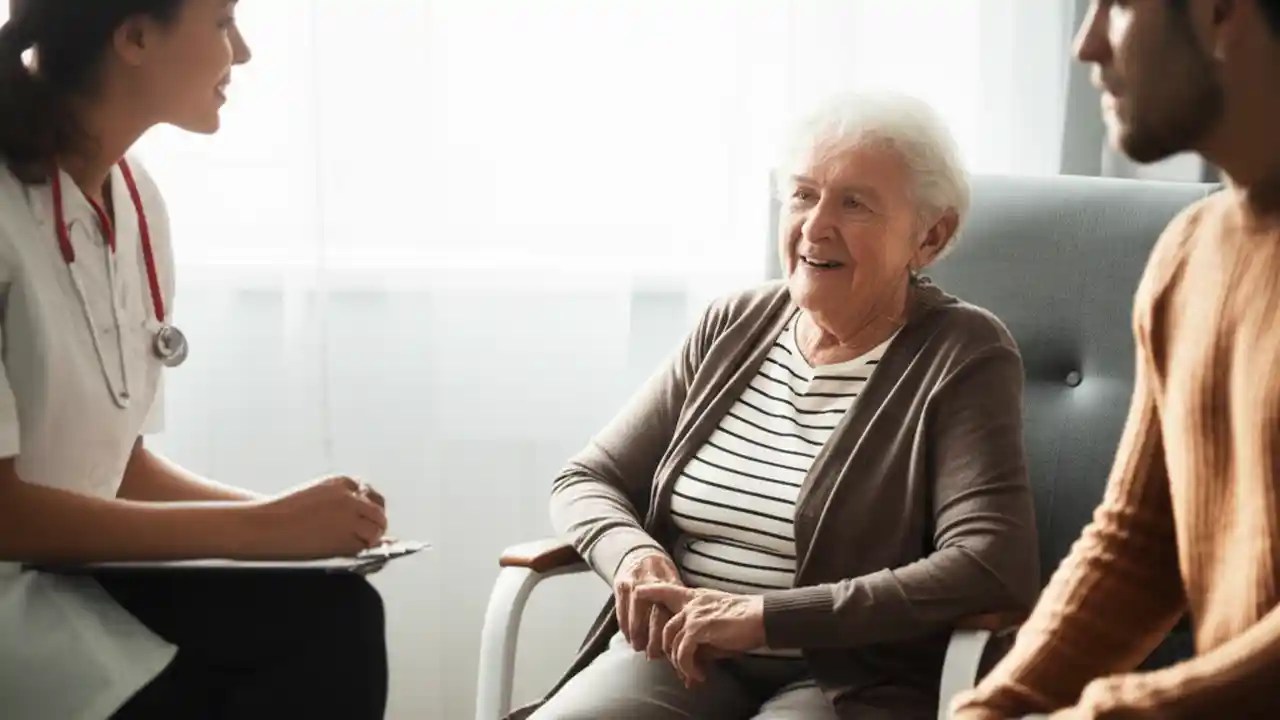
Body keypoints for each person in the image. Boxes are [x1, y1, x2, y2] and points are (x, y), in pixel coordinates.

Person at [520, 91, 1040, 720]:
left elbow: (989, 562)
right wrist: (631, 553)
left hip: (849, 676)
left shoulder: (964, 352)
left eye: (854, 203)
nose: (816, 225)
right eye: (802, 194)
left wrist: (766, 618)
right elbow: (586, 479)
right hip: (684, 654)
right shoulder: (733, 324)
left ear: (929, 236)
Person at [0, 1, 389, 717]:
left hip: (78, 571)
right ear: (135, 37)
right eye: (221, 22)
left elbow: (119, 468)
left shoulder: (136, 198)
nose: (240, 53)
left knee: (336, 612)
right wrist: (262, 530)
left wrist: (303, 524)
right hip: (14, 596)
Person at [952, 1, 1280, 718]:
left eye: (1121, 5)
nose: (1087, 43)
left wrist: (1120, 712)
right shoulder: (1189, 251)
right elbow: (1138, 540)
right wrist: (995, 705)